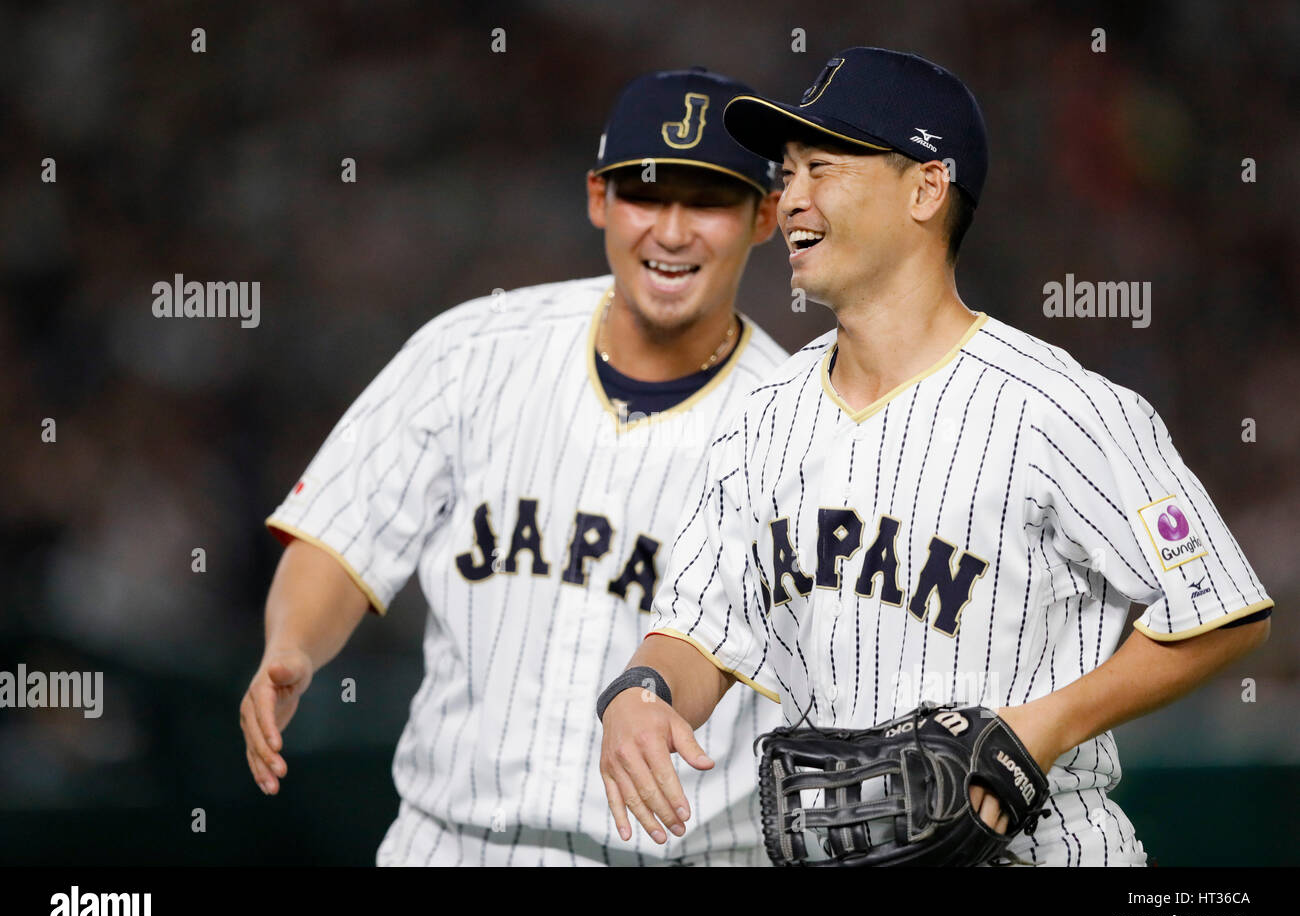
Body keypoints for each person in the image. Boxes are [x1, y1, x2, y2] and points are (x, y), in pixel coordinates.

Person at [597, 47, 1273, 866]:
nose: (791, 196)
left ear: (926, 188)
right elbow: (701, 631)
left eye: (825, 165)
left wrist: (1041, 728)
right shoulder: (761, 416)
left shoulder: (1057, 406)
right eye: (787, 169)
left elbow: (1221, 610)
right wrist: (643, 692)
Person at [239, 67, 790, 865]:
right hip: (447, 842)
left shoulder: (793, 430)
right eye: (644, 195)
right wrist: (292, 644)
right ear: (599, 198)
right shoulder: (476, 349)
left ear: (763, 215)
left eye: (707, 202)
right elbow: (343, 530)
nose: (671, 232)